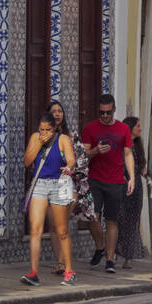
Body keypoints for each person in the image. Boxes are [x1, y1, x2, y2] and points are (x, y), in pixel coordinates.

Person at [48, 99, 106, 268]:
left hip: (69, 184)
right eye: (54, 111)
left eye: (60, 111)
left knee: (61, 223)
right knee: (53, 226)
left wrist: (69, 171)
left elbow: (82, 160)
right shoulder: (42, 137)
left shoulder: (71, 136)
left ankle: (63, 263)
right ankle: (59, 261)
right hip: (48, 185)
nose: (57, 114)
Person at [81, 94, 135, 274]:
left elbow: (127, 154)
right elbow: (83, 155)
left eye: (108, 112)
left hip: (116, 181)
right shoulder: (90, 128)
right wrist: (96, 150)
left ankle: (110, 259)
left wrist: (132, 177)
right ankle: (100, 246)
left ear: (114, 110)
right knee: (92, 216)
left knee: (112, 220)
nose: (105, 116)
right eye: (101, 113)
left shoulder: (123, 129)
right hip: (94, 180)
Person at [21, 113, 77, 286]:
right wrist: (39, 143)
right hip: (40, 185)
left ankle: (69, 270)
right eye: (42, 129)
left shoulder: (63, 139)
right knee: (35, 230)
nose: (44, 132)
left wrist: (68, 167)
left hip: (58, 184)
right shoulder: (35, 138)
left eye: (48, 130)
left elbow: (71, 159)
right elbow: (27, 161)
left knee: (62, 230)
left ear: (55, 129)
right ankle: (33, 272)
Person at [118, 115, 147, 268]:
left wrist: (148, 174)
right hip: (120, 185)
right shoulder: (121, 145)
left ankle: (128, 257)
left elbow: (142, 168)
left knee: (132, 222)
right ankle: (115, 253)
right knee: (119, 219)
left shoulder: (138, 146)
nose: (140, 128)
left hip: (136, 188)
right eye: (138, 126)